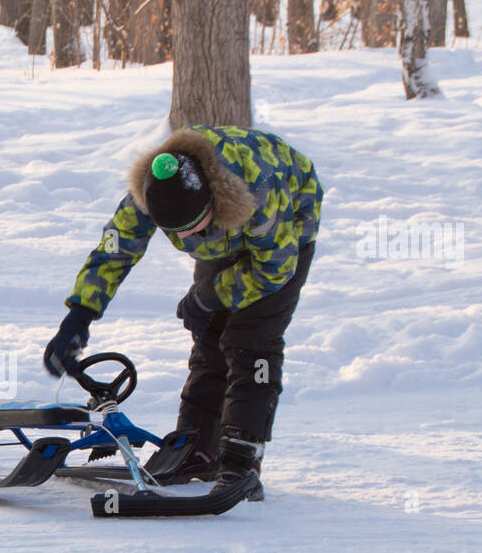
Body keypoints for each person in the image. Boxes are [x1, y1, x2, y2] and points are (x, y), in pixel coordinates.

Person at [43, 124, 323, 497]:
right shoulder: (146, 192)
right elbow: (115, 250)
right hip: (228, 236)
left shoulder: (257, 190)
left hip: (286, 234)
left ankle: (243, 456)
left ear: (212, 204)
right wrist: (78, 317)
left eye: (194, 228)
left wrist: (208, 294)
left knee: (251, 338)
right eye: (177, 233)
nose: (188, 240)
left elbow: (275, 268)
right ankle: (196, 449)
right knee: (209, 337)